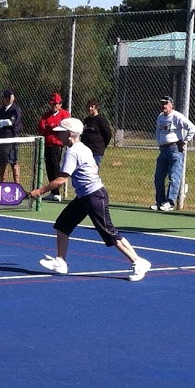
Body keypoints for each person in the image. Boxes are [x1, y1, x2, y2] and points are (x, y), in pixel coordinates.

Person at [27, 117, 150, 281]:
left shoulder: (72, 152)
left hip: (94, 196)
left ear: (70, 134)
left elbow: (62, 179)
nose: (58, 136)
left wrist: (39, 191)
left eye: (61, 133)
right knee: (63, 225)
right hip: (85, 196)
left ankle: (138, 261)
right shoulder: (82, 148)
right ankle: (61, 261)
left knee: (109, 233)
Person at [152, 95, 195, 211]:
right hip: (163, 150)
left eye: (166, 103)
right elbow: (157, 131)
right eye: (162, 103)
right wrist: (160, 142)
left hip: (174, 150)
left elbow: (192, 128)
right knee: (158, 177)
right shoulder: (160, 117)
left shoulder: (177, 116)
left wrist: (185, 141)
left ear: (171, 105)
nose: (164, 106)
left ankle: (170, 202)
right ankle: (160, 202)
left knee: (174, 176)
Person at [37, 93, 72, 200]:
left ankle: (56, 192)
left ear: (60, 104)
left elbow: (64, 126)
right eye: (52, 104)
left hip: (57, 146)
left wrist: (54, 127)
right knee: (49, 168)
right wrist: (51, 128)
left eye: (56, 104)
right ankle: (53, 191)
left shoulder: (64, 114)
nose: (54, 106)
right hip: (47, 144)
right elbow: (42, 127)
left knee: (55, 167)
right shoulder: (46, 115)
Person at [0, 88, 22, 185]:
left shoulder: (15, 109)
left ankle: (17, 186)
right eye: (5, 97)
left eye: (9, 96)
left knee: (14, 164)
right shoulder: (1, 110)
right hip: (1, 139)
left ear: (13, 98)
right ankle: (2, 185)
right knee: (2, 164)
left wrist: (1, 122)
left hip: (11, 140)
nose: (7, 99)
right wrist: (1, 123)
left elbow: (10, 122)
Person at [80, 99, 113, 164]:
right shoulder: (86, 120)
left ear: (96, 107)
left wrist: (102, 145)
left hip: (96, 151)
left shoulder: (101, 120)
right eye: (88, 107)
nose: (90, 108)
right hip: (85, 150)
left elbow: (108, 134)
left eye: (92, 107)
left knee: (93, 171)